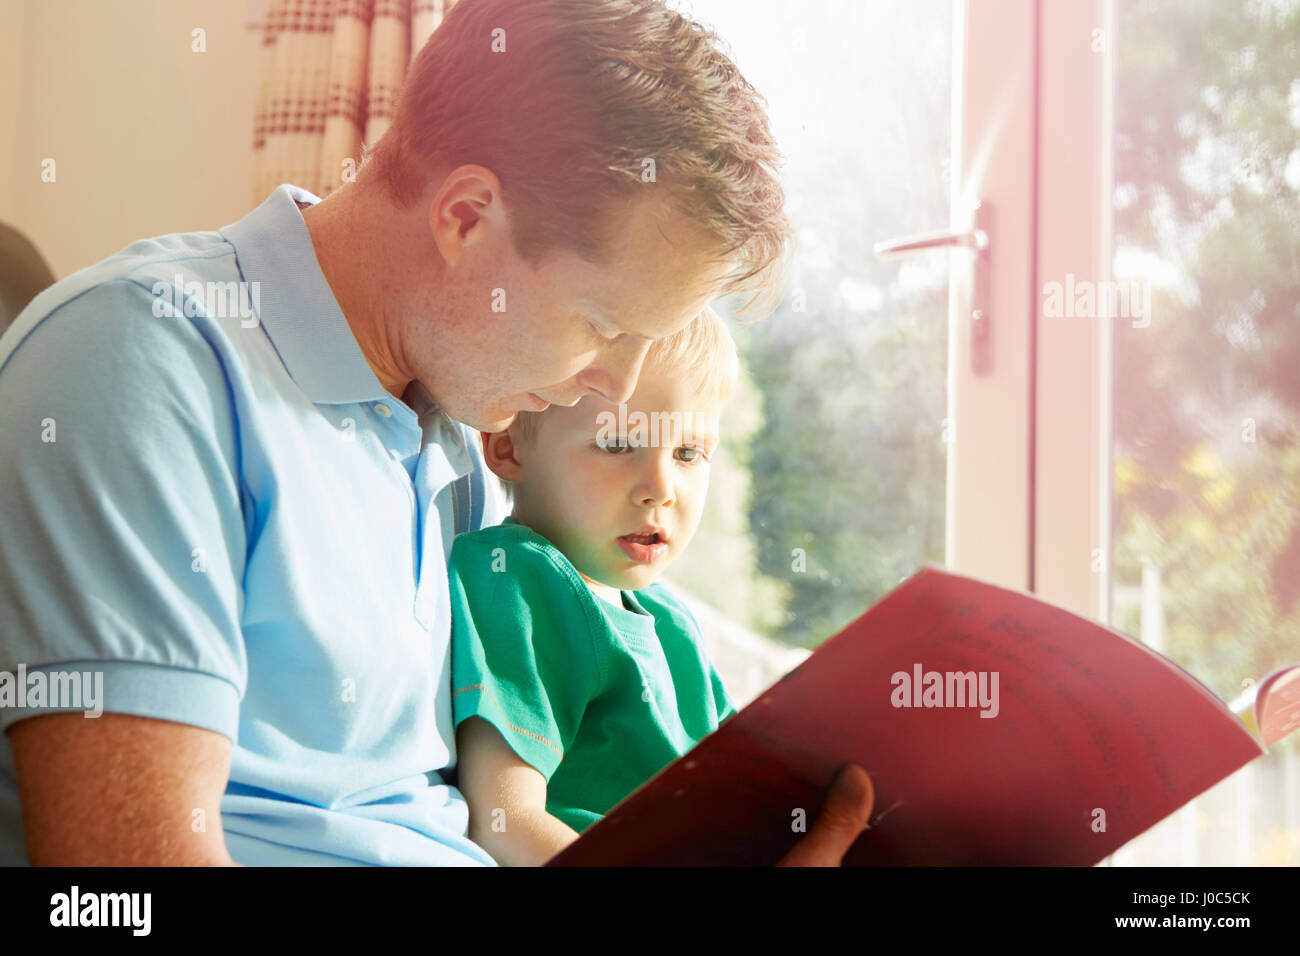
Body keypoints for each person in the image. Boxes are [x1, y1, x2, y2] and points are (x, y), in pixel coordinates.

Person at [0, 0, 872, 866]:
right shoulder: (141, 361)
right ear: (465, 219)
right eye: (605, 326)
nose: (619, 387)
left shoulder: (455, 432)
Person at [451, 306, 741, 865]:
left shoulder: (671, 621)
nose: (660, 488)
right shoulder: (519, 580)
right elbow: (504, 820)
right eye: (616, 445)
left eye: (687, 453)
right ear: (508, 446)